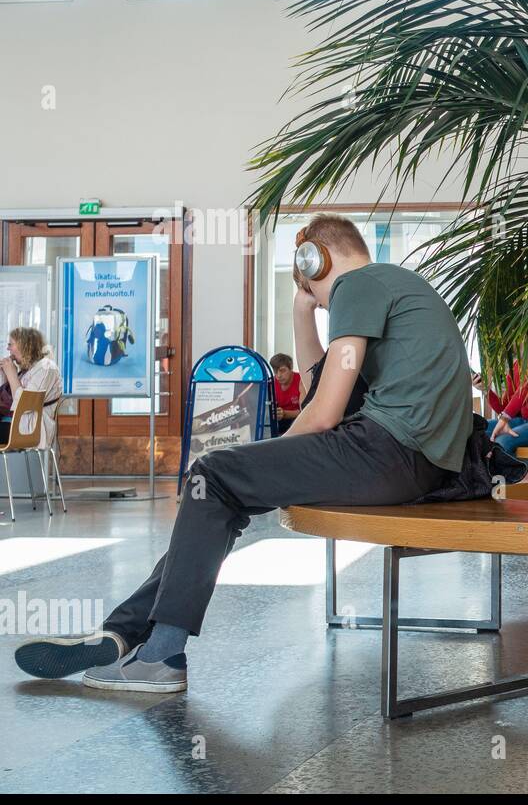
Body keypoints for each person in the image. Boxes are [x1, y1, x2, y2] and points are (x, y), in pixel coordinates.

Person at [14, 214, 474, 693]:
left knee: (212, 476)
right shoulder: (392, 285)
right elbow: (328, 384)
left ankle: (162, 656)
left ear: (314, 260)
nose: (316, 302)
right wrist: (301, 310)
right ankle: (127, 631)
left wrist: (260, 460)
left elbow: (323, 413)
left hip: (386, 452)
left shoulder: (357, 286)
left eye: (311, 290)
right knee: (221, 495)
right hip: (414, 463)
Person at [0, 327, 62, 449]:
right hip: (13, 424)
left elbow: (26, 406)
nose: (8, 348)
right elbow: (8, 399)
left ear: (25, 345)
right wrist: (5, 373)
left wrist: (12, 374)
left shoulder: (46, 368)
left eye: (10, 344)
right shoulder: (27, 370)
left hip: (27, 430)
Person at [269, 353, 302, 436]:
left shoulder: (301, 381)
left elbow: (305, 411)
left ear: (291, 368)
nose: (279, 375)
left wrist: (284, 413)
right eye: (275, 372)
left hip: (298, 421)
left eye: (282, 371)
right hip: (278, 423)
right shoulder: (270, 383)